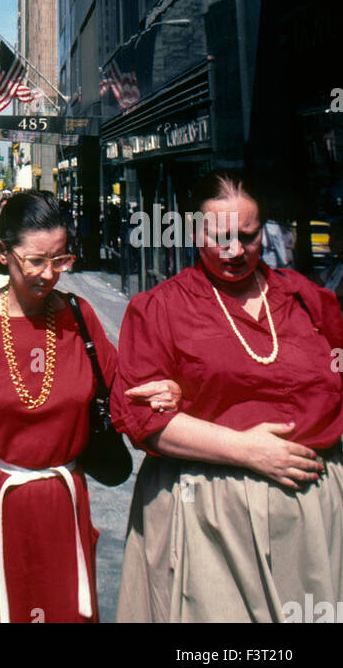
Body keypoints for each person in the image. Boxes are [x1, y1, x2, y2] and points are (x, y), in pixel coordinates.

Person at [0, 192, 182, 622]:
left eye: (60, 260)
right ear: (2, 252)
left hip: (62, 503)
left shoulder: (80, 316)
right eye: (34, 261)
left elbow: (124, 391)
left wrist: (165, 391)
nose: (48, 274)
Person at [111, 171, 343, 623]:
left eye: (248, 236)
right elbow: (146, 422)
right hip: (210, 513)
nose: (235, 251)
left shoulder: (309, 300)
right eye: (219, 238)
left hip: (314, 513)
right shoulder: (162, 308)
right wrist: (246, 449)